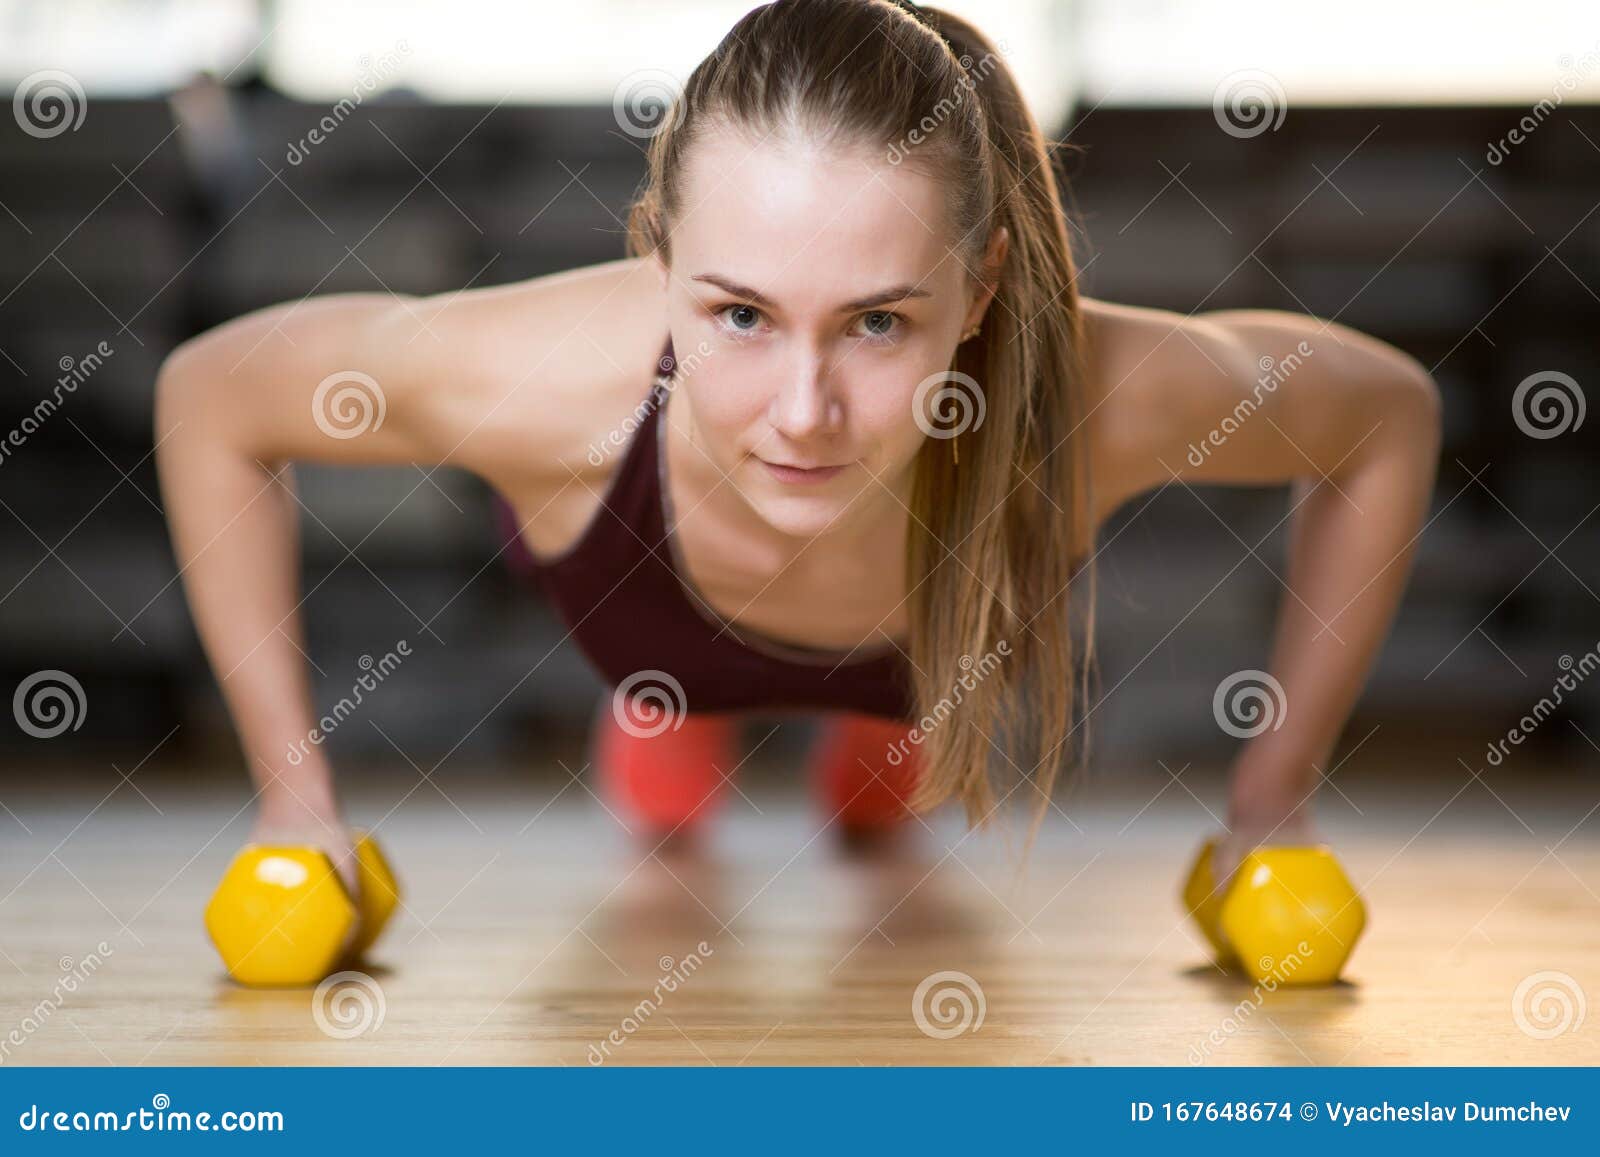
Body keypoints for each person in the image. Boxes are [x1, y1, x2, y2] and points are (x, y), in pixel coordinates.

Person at [153, 0, 1441, 902]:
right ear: (657, 256)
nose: (804, 412)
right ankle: (670, 726)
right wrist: (296, 804)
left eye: (880, 321)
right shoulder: (535, 380)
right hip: (643, 620)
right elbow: (211, 396)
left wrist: (1274, 794)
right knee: (664, 782)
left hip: (916, 661)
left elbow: (1388, 417)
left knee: (888, 789)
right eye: (739, 315)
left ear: (984, 285)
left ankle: (860, 745)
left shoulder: (1098, 394)